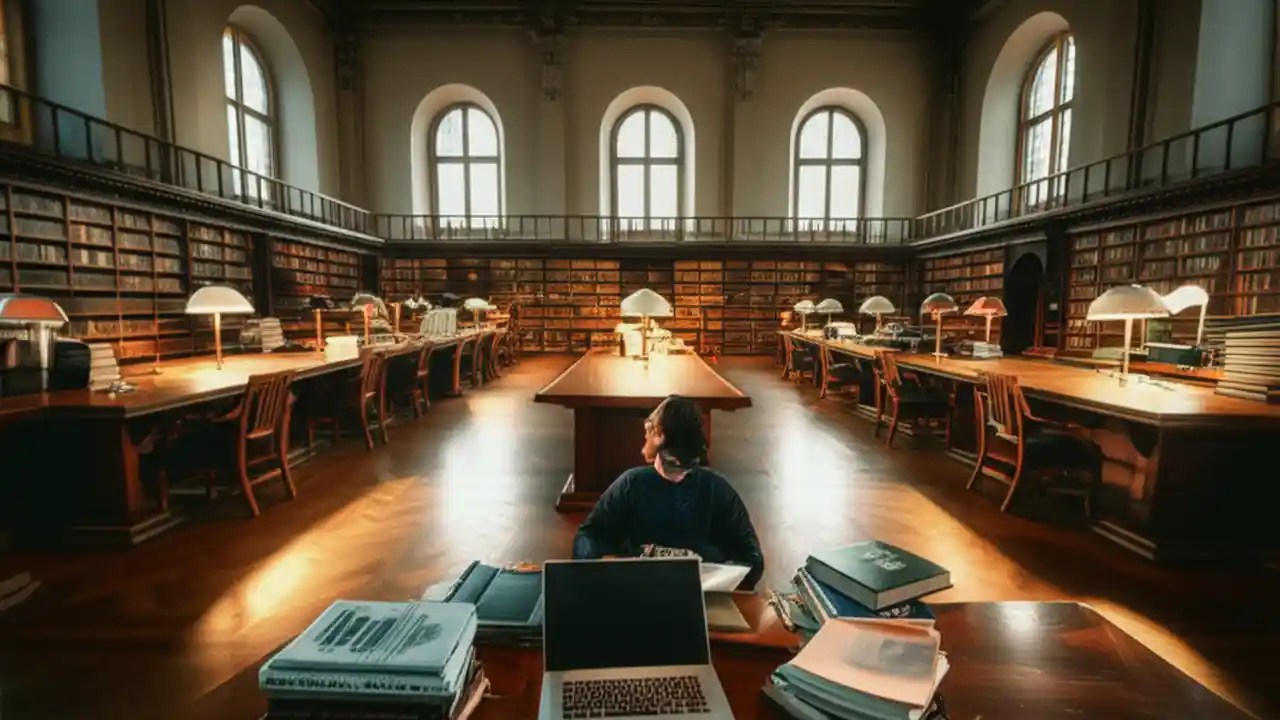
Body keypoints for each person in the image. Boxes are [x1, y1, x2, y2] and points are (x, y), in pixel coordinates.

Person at [572, 395, 765, 590]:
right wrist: (602, 562)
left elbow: (752, 561)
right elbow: (589, 537)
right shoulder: (631, 485)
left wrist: (716, 577)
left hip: (701, 594)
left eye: (650, 428)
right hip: (642, 589)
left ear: (658, 434)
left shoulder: (716, 490)